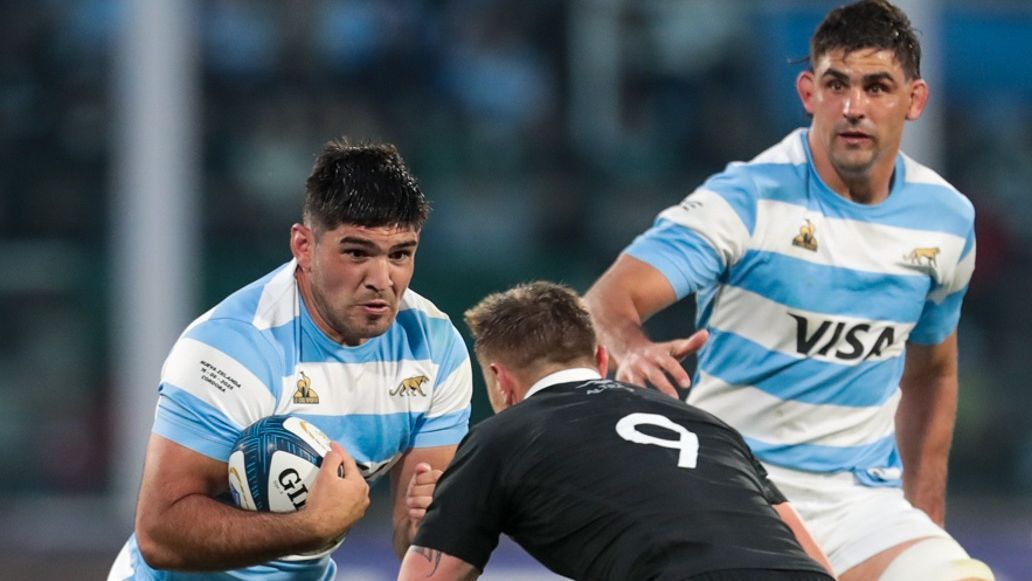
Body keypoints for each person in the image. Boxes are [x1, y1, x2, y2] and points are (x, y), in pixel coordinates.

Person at [585, 1, 992, 580]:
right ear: (808, 92)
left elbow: (931, 373)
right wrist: (630, 346)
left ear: (915, 101)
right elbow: (604, 302)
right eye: (836, 84)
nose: (854, 107)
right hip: (732, 490)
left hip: (861, 505)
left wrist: (922, 521)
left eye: (877, 87)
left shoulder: (946, 221)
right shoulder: (744, 200)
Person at [108, 139, 473, 580]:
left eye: (400, 255)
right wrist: (310, 528)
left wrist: (427, 530)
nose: (382, 280)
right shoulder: (231, 350)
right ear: (303, 246)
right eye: (357, 253)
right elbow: (160, 534)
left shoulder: (434, 348)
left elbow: (413, 541)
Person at [398, 281, 836, 581]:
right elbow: (808, 550)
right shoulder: (709, 426)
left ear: (501, 381)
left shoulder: (502, 435)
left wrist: (443, 523)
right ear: (602, 361)